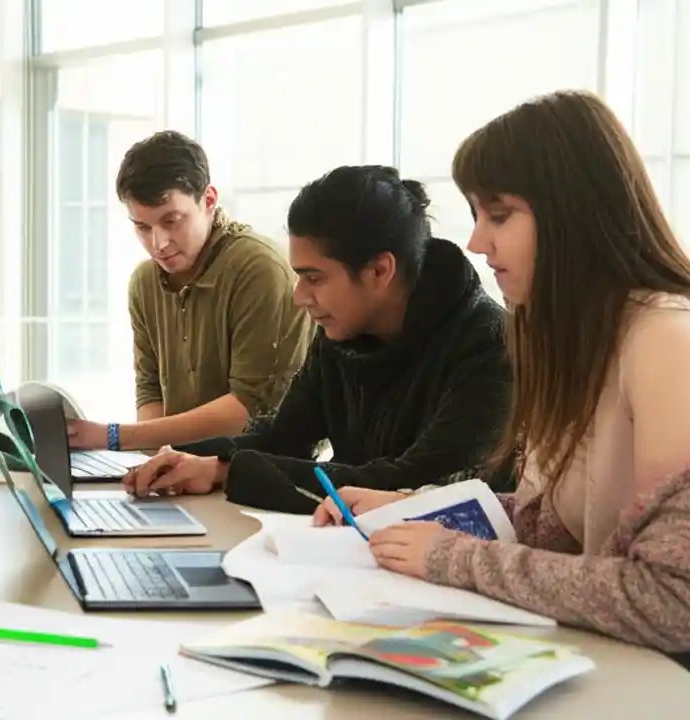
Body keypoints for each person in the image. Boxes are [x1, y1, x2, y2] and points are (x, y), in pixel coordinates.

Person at [315, 91, 690, 658]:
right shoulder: (574, 338)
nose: (475, 242)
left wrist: (448, 555)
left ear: (574, 211)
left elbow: (670, 599)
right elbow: (555, 530)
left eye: (499, 214)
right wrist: (409, 507)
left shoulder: (666, 340)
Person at [124, 166, 512, 513]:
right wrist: (187, 460)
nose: (299, 297)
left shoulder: (491, 347)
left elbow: (413, 484)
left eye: (314, 278)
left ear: (380, 270)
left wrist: (225, 471)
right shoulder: (342, 330)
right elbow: (284, 437)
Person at [68, 130, 314, 452]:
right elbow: (150, 391)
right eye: (142, 226)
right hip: (182, 473)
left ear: (209, 200)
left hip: (257, 475)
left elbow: (251, 412)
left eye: (172, 221)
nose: (158, 243)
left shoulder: (259, 270)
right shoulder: (144, 283)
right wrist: (159, 459)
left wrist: (112, 437)